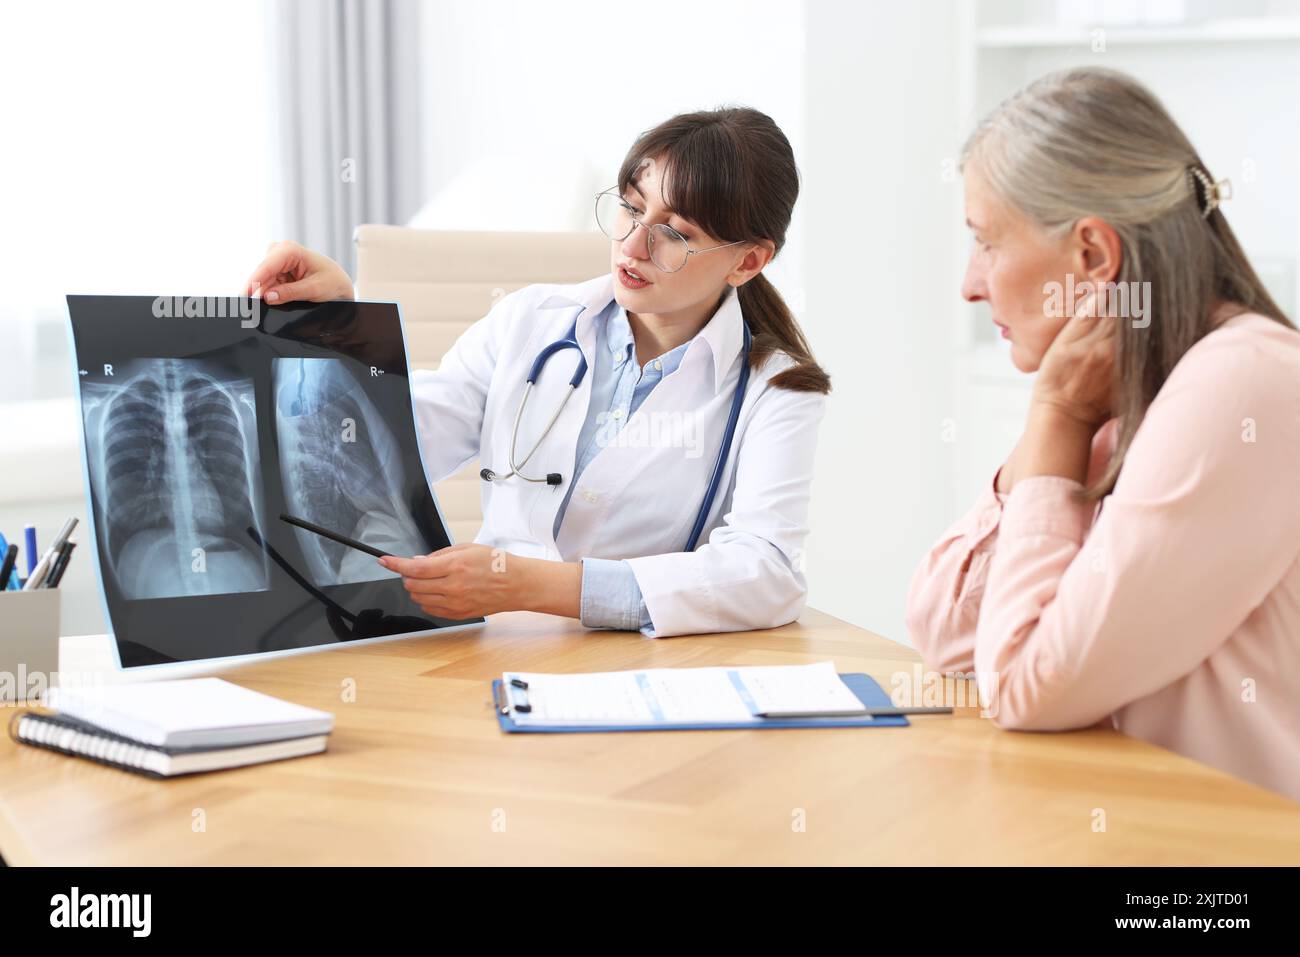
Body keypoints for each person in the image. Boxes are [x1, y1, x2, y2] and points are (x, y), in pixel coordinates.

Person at [245, 107, 829, 638]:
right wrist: (342, 321)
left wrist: (530, 586)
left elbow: (766, 572)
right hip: (483, 649)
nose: (632, 243)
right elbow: (401, 441)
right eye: (630, 207)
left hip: (640, 670)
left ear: (748, 261)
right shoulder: (531, 320)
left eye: (674, 234)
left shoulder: (777, 389)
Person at [905, 67, 1300, 800]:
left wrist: (1055, 412)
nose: (970, 282)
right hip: (1119, 824)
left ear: (1091, 255)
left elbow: (1024, 685)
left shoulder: (1241, 384)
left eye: (986, 242)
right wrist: (1063, 427)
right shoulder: (1130, 389)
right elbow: (947, 631)